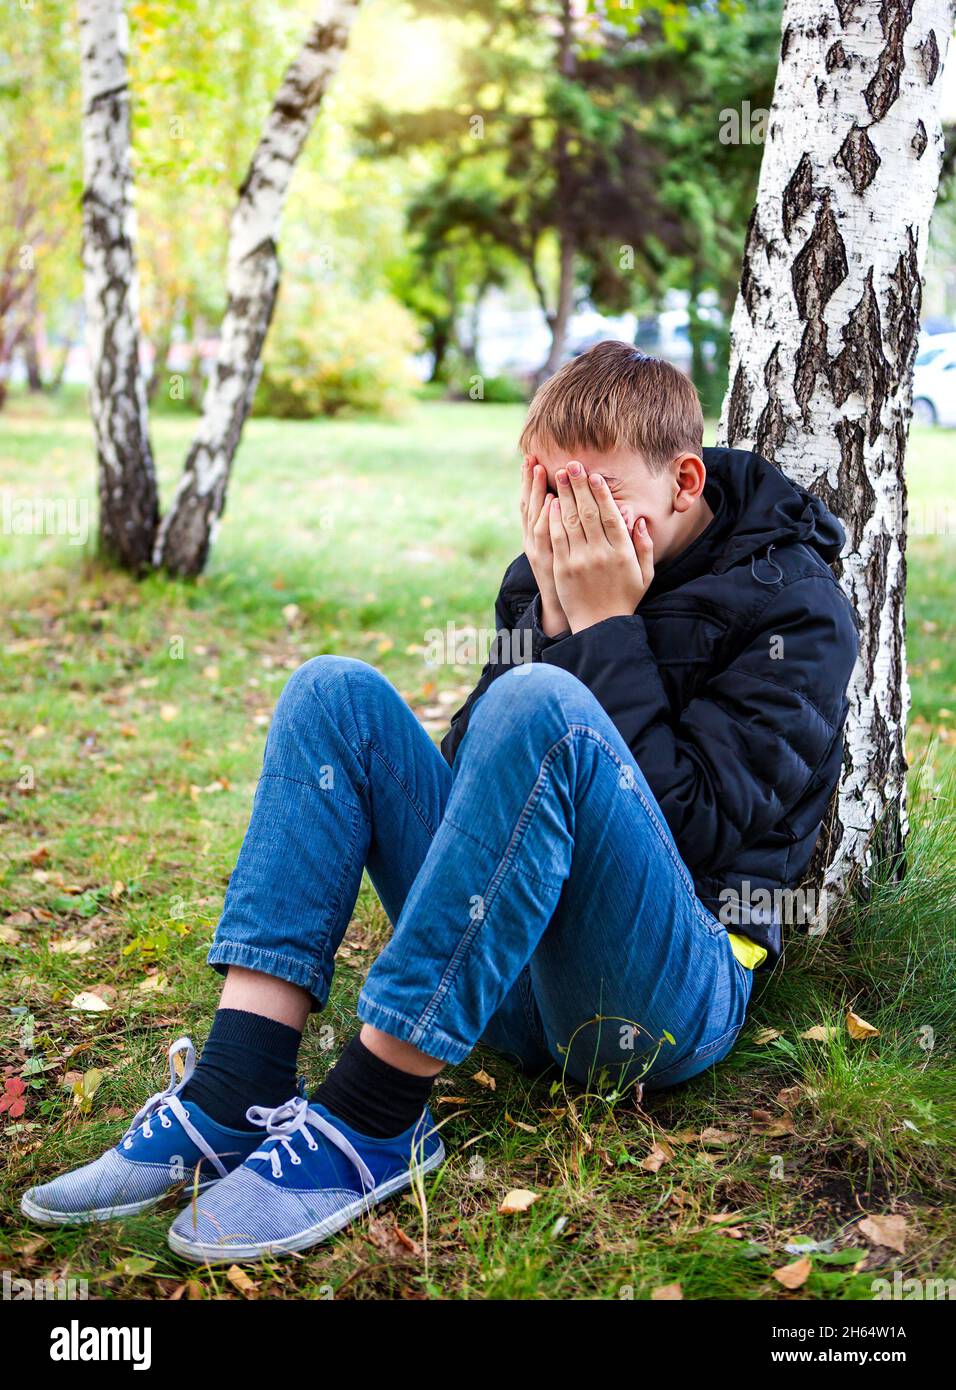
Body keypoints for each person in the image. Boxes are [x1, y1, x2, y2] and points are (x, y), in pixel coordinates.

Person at [22, 342, 858, 1263]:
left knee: (542, 703)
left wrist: (605, 630)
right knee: (332, 691)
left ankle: (376, 1120)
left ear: (685, 481)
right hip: (510, 981)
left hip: (664, 996)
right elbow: (478, 794)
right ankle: (233, 1093)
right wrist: (550, 624)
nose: (567, 525)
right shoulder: (540, 577)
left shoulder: (797, 609)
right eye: (546, 496)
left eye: (596, 497)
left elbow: (693, 836)